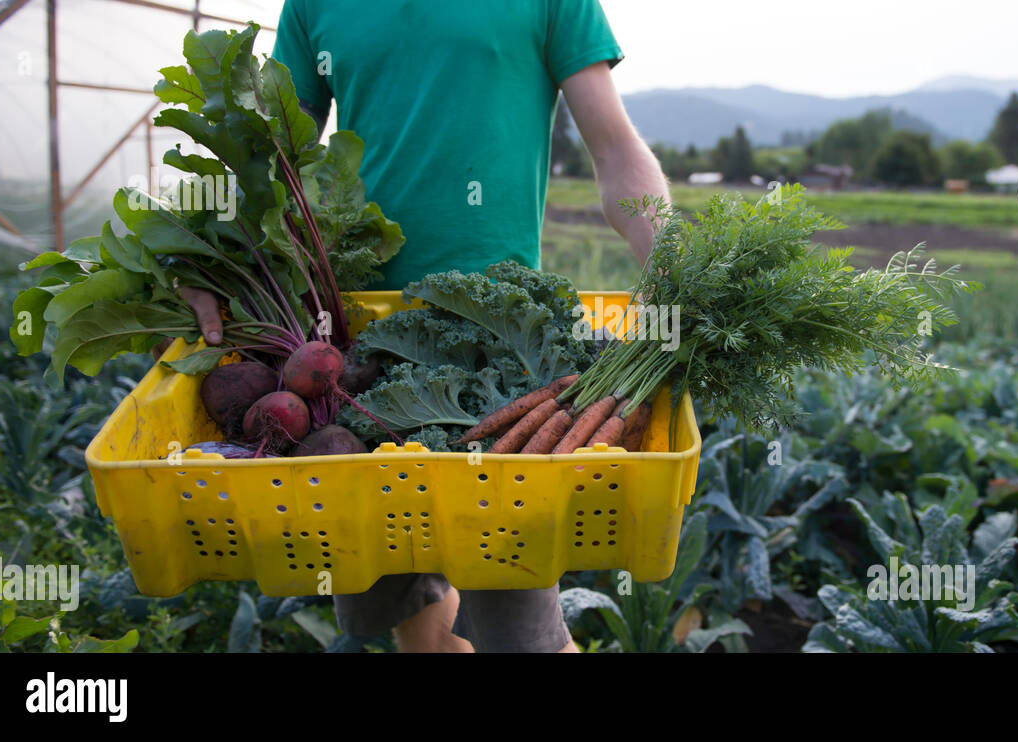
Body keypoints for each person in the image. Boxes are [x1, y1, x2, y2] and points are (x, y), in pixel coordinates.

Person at [171, 0, 669, 653]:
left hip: (498, 351)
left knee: (521, 636)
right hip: (352, 355)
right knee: (411, 615)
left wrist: (672, 264)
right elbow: (268, 156)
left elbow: (615, 150)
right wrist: (211, 248)